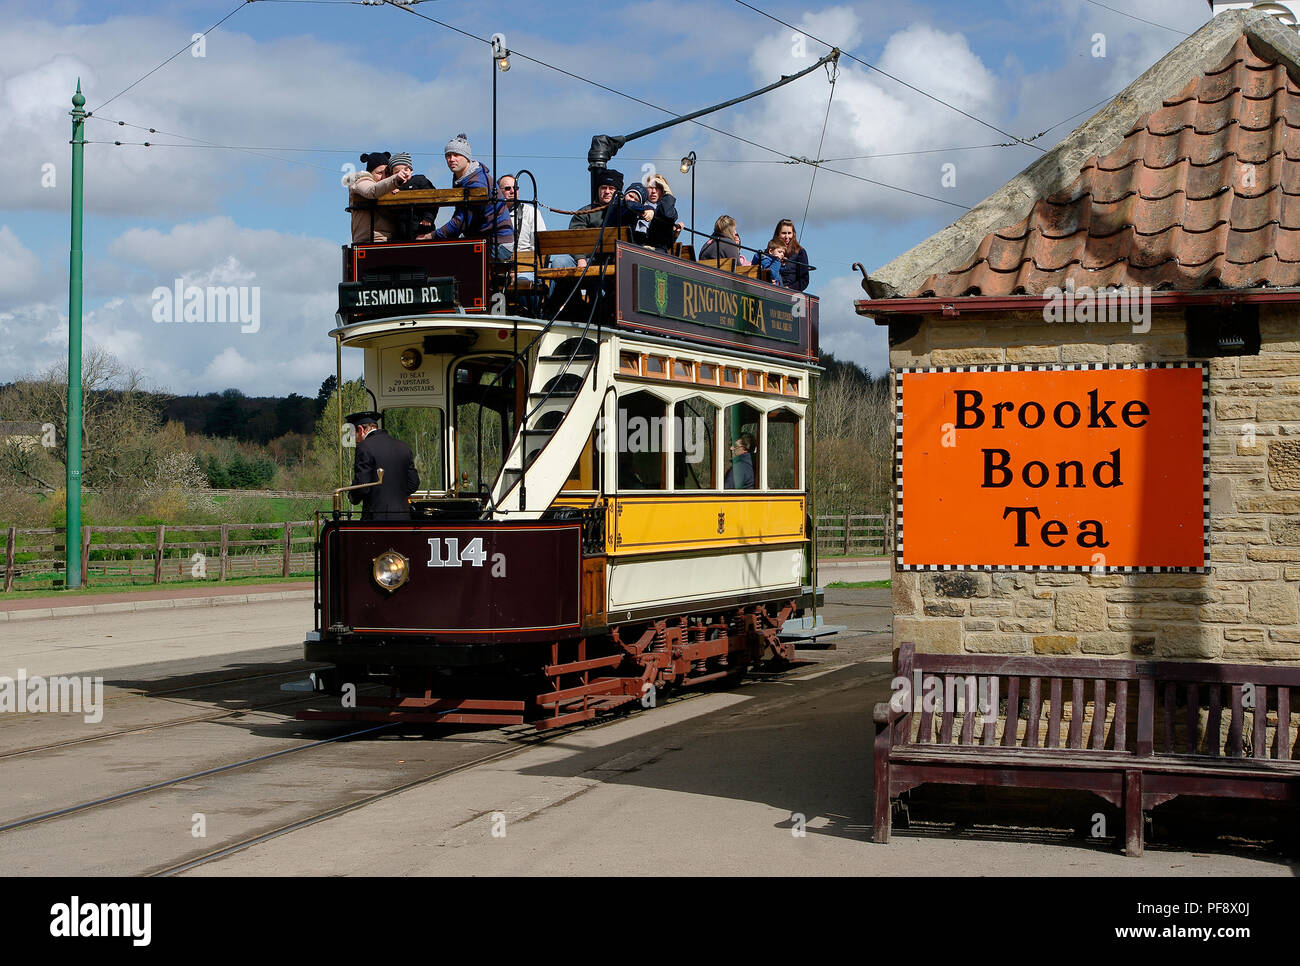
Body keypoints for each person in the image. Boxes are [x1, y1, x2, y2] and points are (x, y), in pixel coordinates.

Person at [431, 133, 515, 260]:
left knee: (448, 258)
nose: (451, 159)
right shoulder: (462, 178)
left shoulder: (477, 182)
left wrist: (433, 236)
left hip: (498, 244)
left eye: (456, 155)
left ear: (467, 157)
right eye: (448, 155)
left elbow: (462, 221)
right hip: (486, 239)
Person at [346, 411, 420, 520]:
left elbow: (363, 487)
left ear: (361, 429)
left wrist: (352, 496)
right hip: (403, 518)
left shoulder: (364, 447)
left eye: (354, 436)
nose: (356, 441)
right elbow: (413, 484)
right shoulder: (403, 447)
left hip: (376, 519)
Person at [347, 151, 408, 244]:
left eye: (387, 173)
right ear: (370, 173)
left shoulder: (390, 186)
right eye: (379, 173)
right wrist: (394, 181)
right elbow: (371, 190)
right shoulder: (360, 181)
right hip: (370, 241)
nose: (384, 177)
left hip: (392, 240)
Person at [386, 152, 438, 242]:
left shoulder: (419, 181)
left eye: (405, 170)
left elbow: (433, 198)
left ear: (411, 171)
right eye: (397, 172)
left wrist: (428, 217)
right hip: (401, 233)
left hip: (422, 227)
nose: (402, 174)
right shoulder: (393, 188)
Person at [642, 174, 679, 253]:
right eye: (651, 187)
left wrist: (668, 194)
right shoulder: (639, 204)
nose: (654, 191)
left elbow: (666, 213)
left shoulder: (670, 210)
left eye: (658, 188)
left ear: (664, 191)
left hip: (658, 252)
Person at [770, 218, 810, 291]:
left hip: (789, 293)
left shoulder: (800, 252)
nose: (787, 237)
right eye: (784, 233)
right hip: (770, 289)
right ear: (778, 234)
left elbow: (804, 280)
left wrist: (789, 289)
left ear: (793, 234)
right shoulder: (771, 250)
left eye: (789, 233)